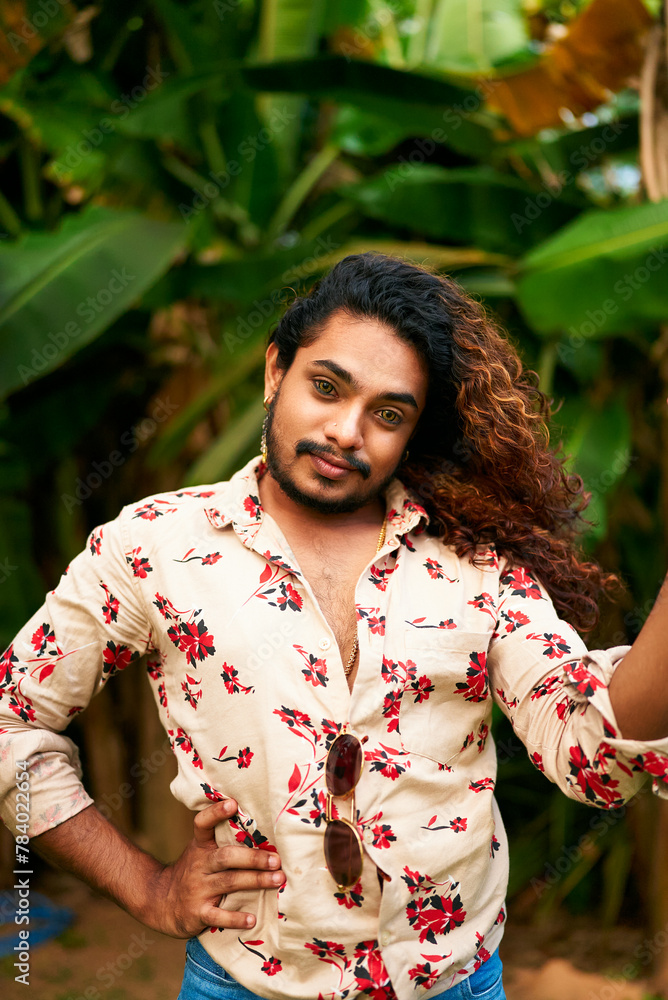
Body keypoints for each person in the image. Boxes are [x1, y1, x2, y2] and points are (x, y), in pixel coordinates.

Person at [1, 252, 668, 1000]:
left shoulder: (477, 563)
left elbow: (591, 753)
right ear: (275, 371)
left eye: (388, 414)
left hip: (453, 982)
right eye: (326, 387)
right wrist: (146, 887)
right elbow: (12, 722)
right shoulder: (153, 547)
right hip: (243, 983)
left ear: (412, 432)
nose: (347, 431)